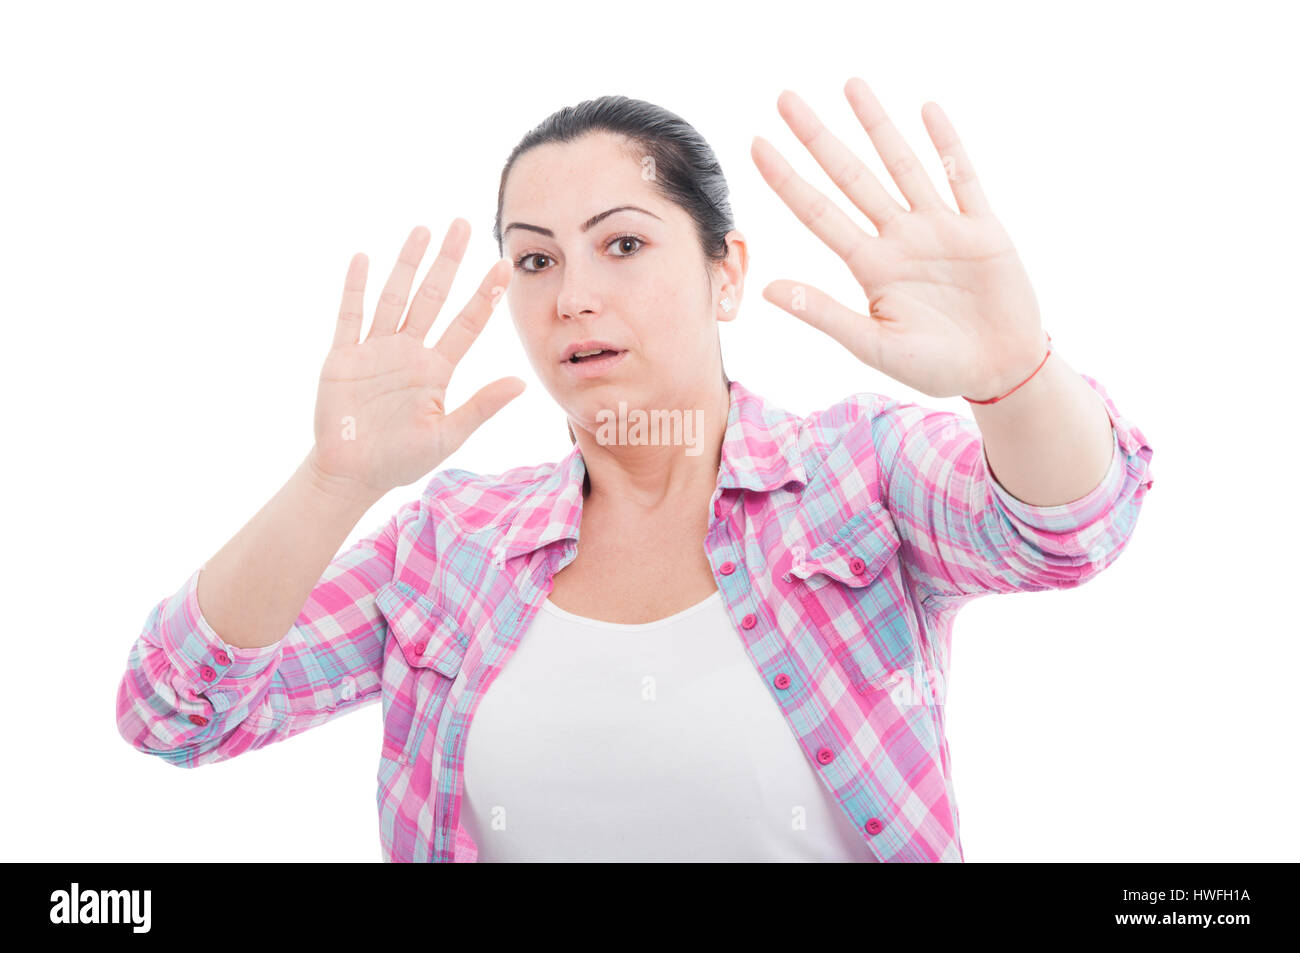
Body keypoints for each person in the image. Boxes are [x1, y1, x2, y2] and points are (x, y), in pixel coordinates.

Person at [115, 79, 1156, 863]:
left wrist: (1015, 375)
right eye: (535, 259)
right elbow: (174, 713)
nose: (571, 296)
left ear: (725, 273)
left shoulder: (855, 473)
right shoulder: (449, 544)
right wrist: (330, 482)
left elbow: (1070, 530)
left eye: (621, 244)